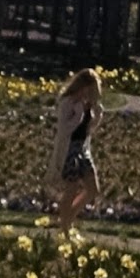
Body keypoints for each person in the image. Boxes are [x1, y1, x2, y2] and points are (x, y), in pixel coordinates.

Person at [49, 68, 104, 230]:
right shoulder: (68, 102)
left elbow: (87, 131)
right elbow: (64, 129)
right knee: (71, 189)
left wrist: (96, 116)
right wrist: (78, 116)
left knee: (93, 189)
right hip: (69, 149)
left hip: (82, 148)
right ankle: (65, 226)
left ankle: (67, 218)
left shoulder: (86, 104)